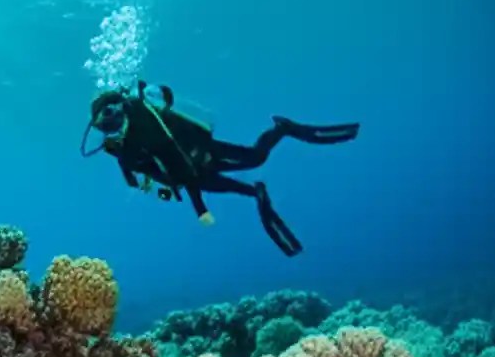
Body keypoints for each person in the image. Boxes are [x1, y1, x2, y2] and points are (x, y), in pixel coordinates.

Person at [80, 80, 359, 256]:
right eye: (103, 122)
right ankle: (260, 193)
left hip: (201, 155)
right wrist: (156, 187)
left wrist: (200, 208)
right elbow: (143, 175)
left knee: (257, 158)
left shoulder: (144, 121)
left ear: (120, 107)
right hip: (194, 176)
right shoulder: (121, 148)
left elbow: (175, 159)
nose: (111, 124)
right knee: (248, 189)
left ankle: (282, 128)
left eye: (112, 114)